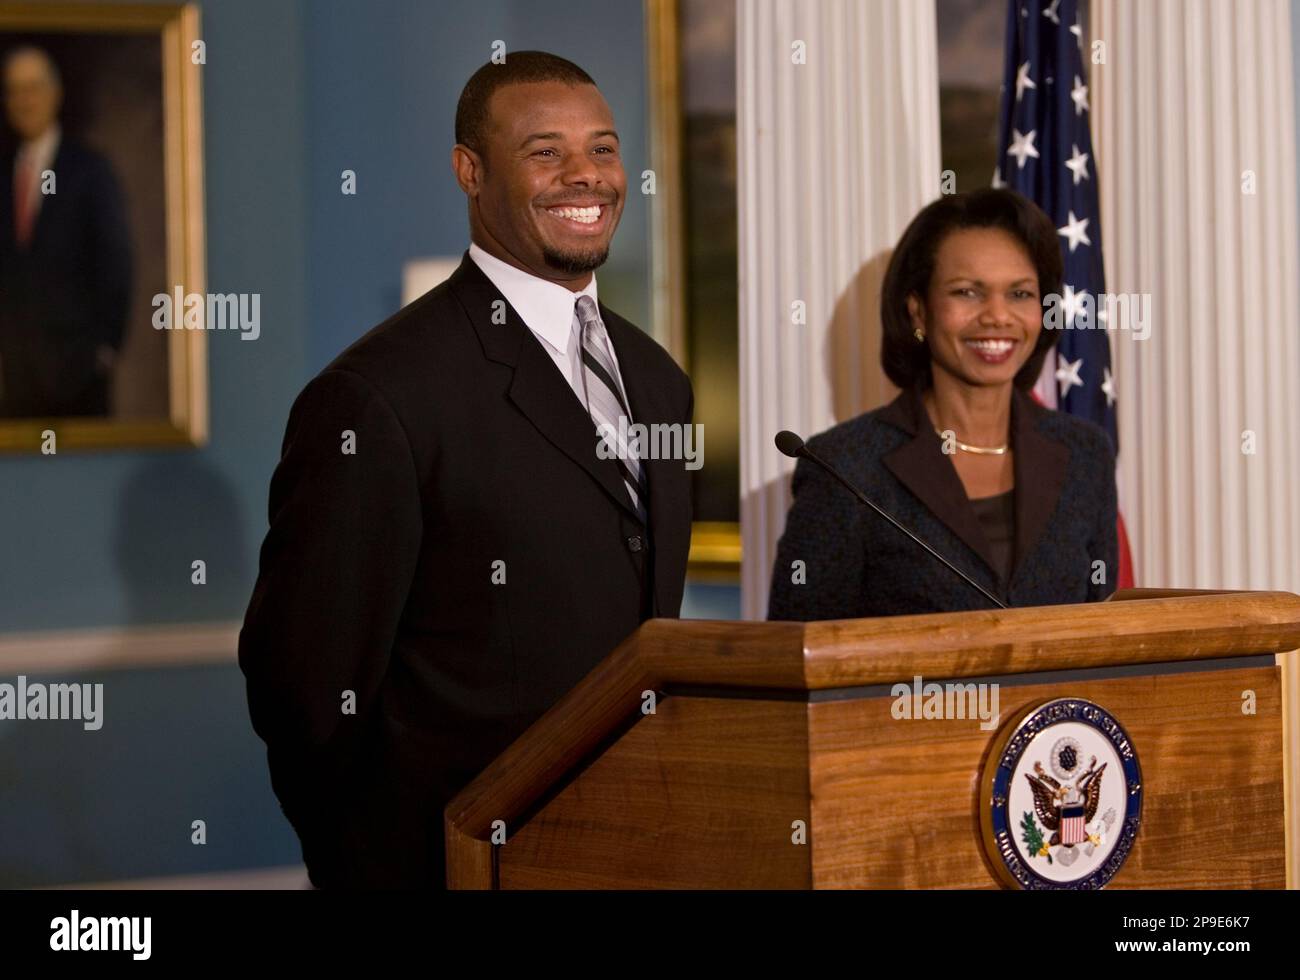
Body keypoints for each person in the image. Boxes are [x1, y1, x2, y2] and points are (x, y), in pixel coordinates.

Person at [239, 51, 694, 888]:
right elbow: (304, 692)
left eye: (602, 148)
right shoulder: (378, 396)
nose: (585, 176)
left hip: (635, 856)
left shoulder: (659, 379)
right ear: (470, 171)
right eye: (545, 152)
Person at [768, 188, 1117, 621]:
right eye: (968, 292)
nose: (997, 316)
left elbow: (1105, 639)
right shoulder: (844, 468)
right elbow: (794, 661)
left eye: (1020, 294)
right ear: (918, 311)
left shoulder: (1086, 455)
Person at [0, 45, 132, 418]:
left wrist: (103, 350)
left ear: (55, 94)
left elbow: (116, 264)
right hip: (14, 381)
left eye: (33, 87)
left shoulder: (89, 170)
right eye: (14, 90)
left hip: (76, 375)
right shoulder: (5, 173)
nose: (24, 100)